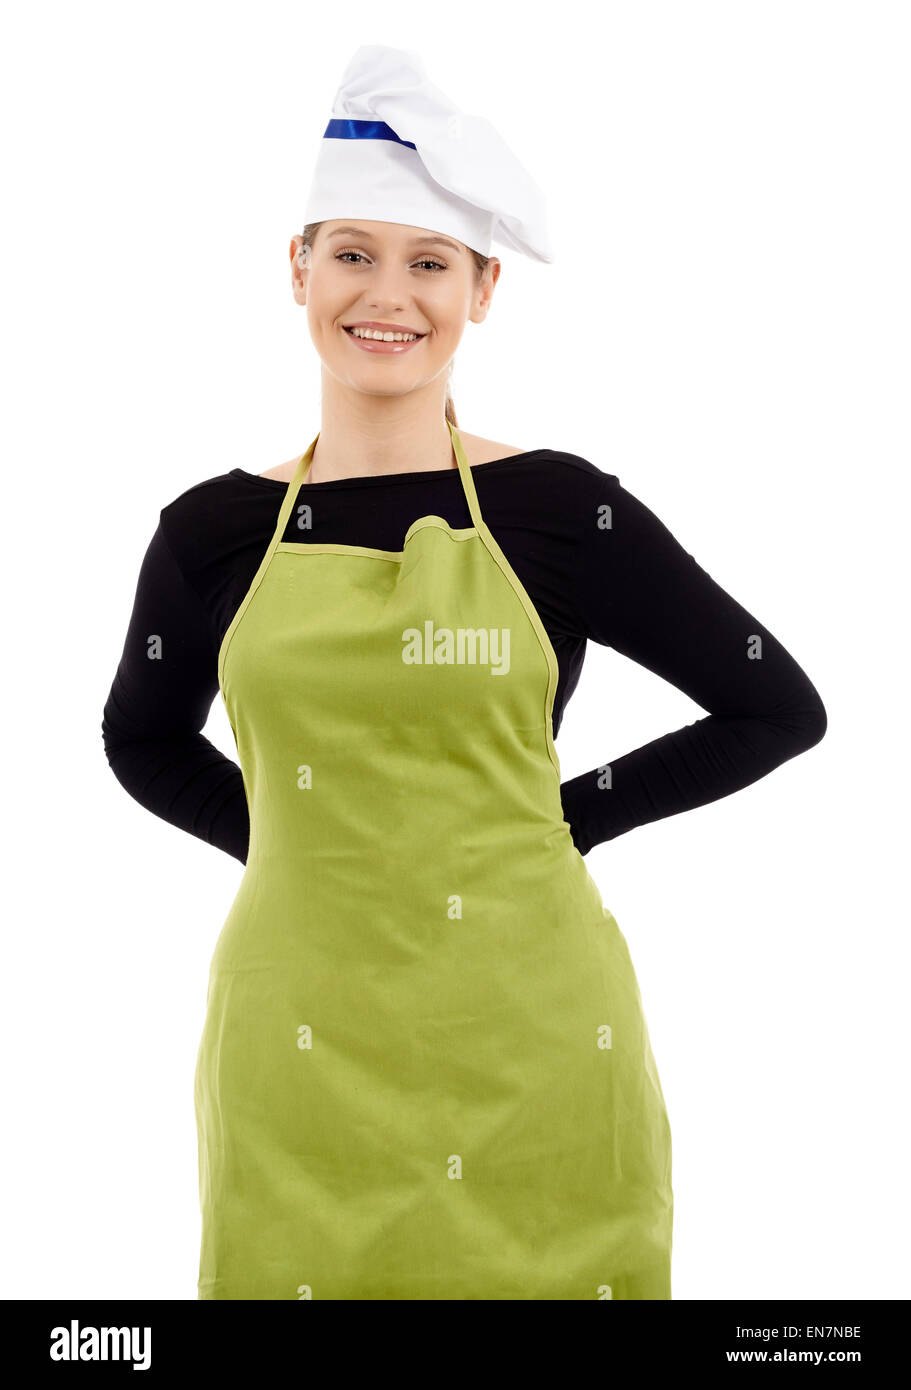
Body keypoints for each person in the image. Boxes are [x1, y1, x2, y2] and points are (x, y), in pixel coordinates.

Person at [102, 44, 827, 1301]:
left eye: (429, 262)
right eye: (352, 253)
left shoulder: (559, 510)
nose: (388, 296)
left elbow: (775, 704)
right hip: (298, 1040)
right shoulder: (208, 531)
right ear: (296, 268)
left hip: (533, 1042)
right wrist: (294, 835)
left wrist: (566, 817)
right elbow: (139, 738)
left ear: (481, 288)